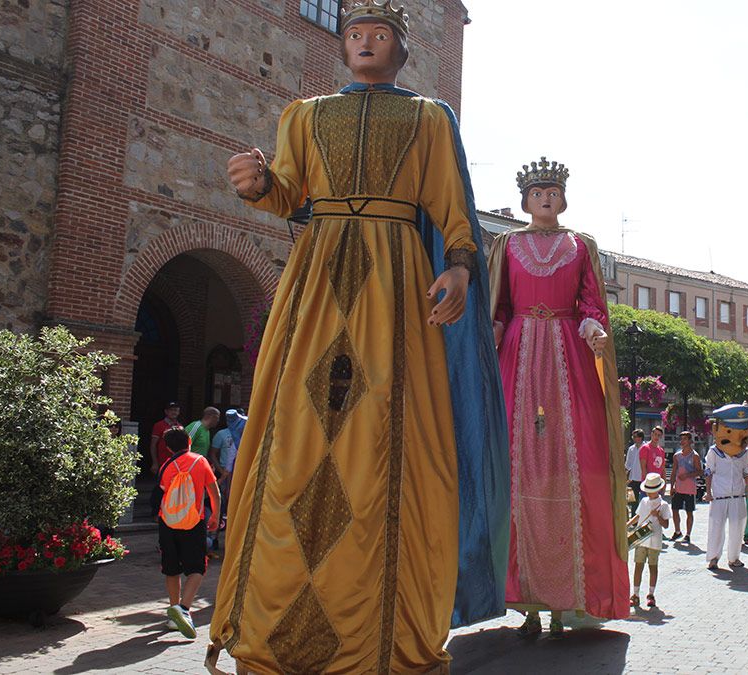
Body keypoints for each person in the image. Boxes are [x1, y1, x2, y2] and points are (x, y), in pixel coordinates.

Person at [210, 4, 511, 670]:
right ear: (343, 47)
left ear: (403, 51)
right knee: (296, 431)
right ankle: (278, 618)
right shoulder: (304, 116)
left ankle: (385, 627)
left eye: (379, 36)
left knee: (392, 435)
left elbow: (455, 214)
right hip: (317, 282)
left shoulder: (430, 118)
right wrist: (259, 184)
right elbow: (291, 191)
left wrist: (460, 270)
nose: (365, 43)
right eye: (355, 35)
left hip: (397, 286)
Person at [488, 156, 629, 637]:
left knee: (577, 466)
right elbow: (500, 301)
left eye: (552, 192)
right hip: (519, 353)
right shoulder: (506, 243)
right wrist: (495, 328)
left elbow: (591, 298)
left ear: (563, 198)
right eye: (537, 193)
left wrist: (592, 325)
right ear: (524, 200)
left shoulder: (581, 244)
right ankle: (524, 599)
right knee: (516, 465)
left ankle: (569, 600)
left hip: (568, 351)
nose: (545, 199)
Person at [156, 427, 220, 640]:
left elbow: (163, 491)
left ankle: (174, 612)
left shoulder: (166, 466)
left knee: (171, 568)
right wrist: (216, 516)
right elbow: (214, 492)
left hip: (168, 521)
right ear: (189, 441)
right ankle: (184, 609)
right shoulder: (200, 461)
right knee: (197, 567)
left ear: (168, 446)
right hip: (194, 521)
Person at [704, 404, 748, 570]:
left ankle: (734, 558)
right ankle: (713, 558)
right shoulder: (714, 452)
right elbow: (709, 472)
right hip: (719, 496)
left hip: (737, 496)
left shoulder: (745, 453)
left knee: (737, 528)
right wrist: (707, 492)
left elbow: (747, 472)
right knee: (716, 528)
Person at [630, 472, 672, 609]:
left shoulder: (664, 505)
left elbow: (666, 525)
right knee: (638, 565)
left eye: (651, 491)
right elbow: (638, 516)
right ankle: (635, 594)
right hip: (642, 539)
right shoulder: (644, 501)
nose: (649, 494)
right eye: (648, 491)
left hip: (654, 540)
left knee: (653, 567)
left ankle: (651, 594)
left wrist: (658, 516)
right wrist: (627, 524)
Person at [669, 431, 701, 543]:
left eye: (685, 439)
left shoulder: (695, 456)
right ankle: (677, 531)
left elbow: (700, 472)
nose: (682, 441)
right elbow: (673, 472)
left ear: (690, 441)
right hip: (678, 488)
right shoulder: (676, 456)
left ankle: (688, 534)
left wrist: (687, 475)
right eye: (681, 439)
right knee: (674, 510)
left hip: (689, 489)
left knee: (689, 512)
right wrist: (672, 486)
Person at [149, 401, 181, 475]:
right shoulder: (159, 425)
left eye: (176, 410)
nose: (174, 412)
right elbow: (153, 445)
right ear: (166, 412)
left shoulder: (180, 427)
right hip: (162, 463)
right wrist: (155, 463)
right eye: (171, 410)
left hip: (177, 463)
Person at [625, 429, 645, 504]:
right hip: (633, 479)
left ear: (640, 438)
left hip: (643, 478)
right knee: (633, 501)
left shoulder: (645, 448)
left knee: (644, 500)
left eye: (635, 436)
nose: (633, 438)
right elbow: (628, 464)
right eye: (633, 436)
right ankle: (634, 515)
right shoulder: (631, 449)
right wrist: (625, 477)